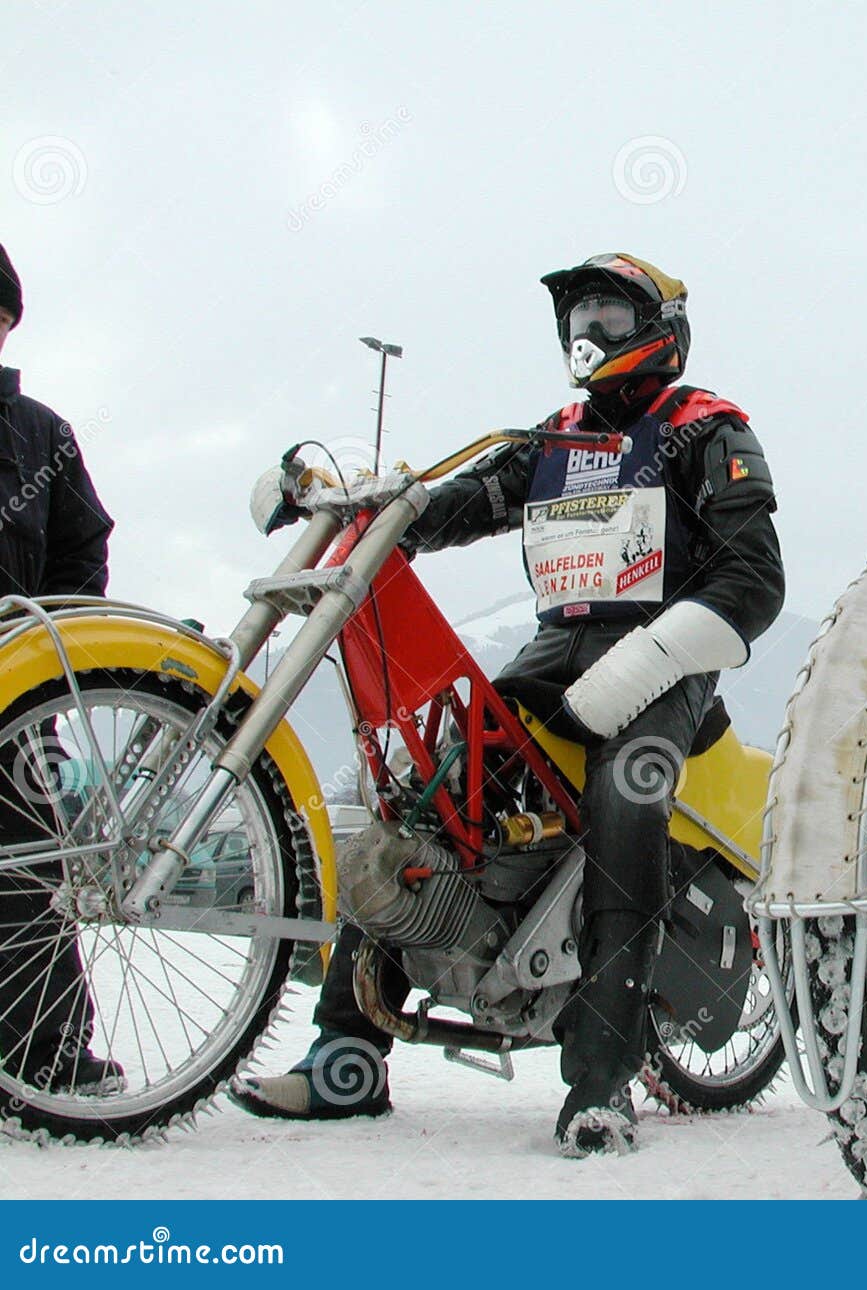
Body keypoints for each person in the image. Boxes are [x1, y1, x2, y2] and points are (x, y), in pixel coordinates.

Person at [230, 253, 784, 1156]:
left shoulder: (707, 429)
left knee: (627, 794)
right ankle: (347, 1054)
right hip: (555, 653)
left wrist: (641, 664)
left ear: (660, 329)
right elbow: (453, 507)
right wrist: (369, 502)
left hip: (666, 669)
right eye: (579, 321)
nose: (588, 337)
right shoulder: (554, 440)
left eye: (608, 317)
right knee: (423, 779)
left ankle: (602, 1087)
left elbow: (755, 580)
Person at [0, 240, 122, 1096]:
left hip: (14, 693)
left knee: (29, 873)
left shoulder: (41, 433)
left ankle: (45, 1052)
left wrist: (45, 646)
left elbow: (84, 547)